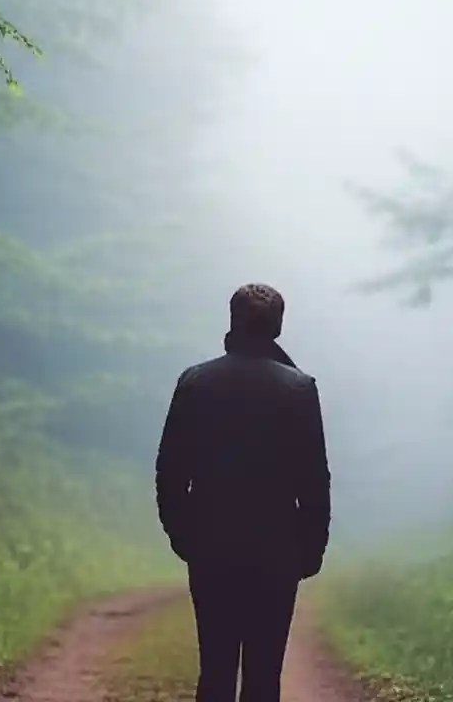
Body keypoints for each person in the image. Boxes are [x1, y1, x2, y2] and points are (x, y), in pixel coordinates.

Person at [155, 283, 332, 702]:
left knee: (214, 670)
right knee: (264, 677)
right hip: (277, 551)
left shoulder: (195, 382)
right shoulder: (299, 388)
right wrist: (311, 549)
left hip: (211, 545)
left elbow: (170, 470)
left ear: (232, 320)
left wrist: (182, 534)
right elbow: (314, 479)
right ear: (278, 326)